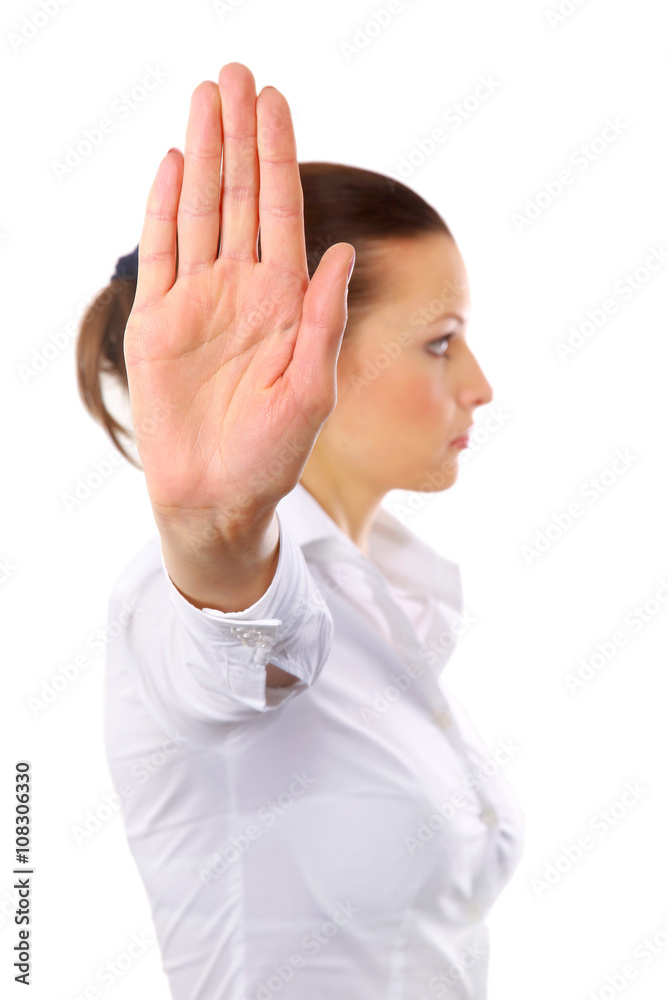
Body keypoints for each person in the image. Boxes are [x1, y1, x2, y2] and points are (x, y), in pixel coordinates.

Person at [76, 61, 524, 1000]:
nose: (479, 384)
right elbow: (237, 648)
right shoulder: (172, 601)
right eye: (440, 340)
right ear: (302, 350)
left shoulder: (398, 599)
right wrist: (215, 528)